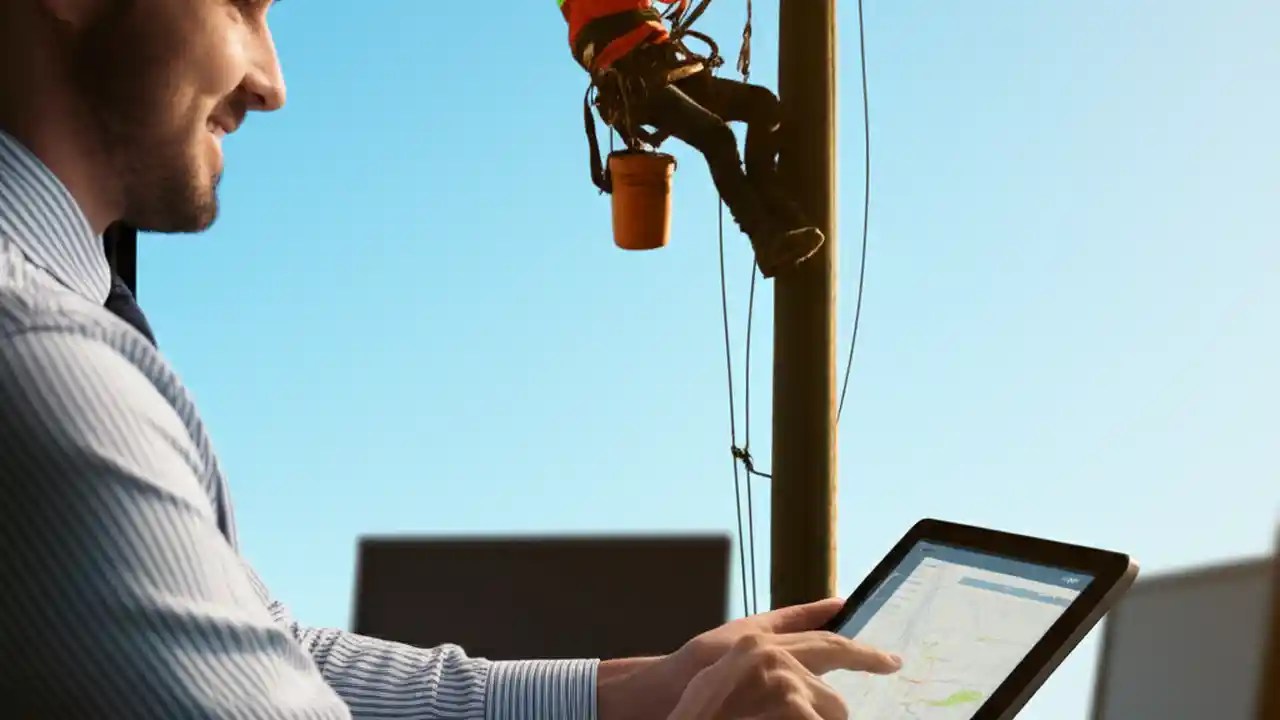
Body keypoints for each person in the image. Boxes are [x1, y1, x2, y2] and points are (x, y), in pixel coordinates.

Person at [0, 1, 901, 717]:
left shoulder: (66, 337)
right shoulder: (49, 371)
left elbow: (271, 654)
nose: (271, 82)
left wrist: (635, 694)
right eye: (241, 4)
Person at [561, 0, 823, 279]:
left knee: (763, 106)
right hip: (632, 79)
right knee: (716, 137)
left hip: (660, 67)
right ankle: (765, 241)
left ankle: (773, 201)